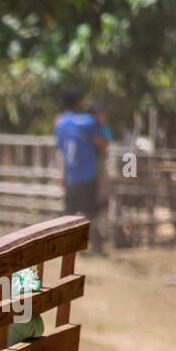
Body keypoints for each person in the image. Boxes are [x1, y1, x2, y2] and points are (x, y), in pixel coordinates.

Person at [54, 86, 108, 252]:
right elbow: (103, 143)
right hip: (87, 174)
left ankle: (64, 245)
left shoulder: (60, 122)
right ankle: (96, 247)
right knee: (91, 212)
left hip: (71, 175)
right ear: (78, 102)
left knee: (69, 212)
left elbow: (60, 150)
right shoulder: (88, 121)